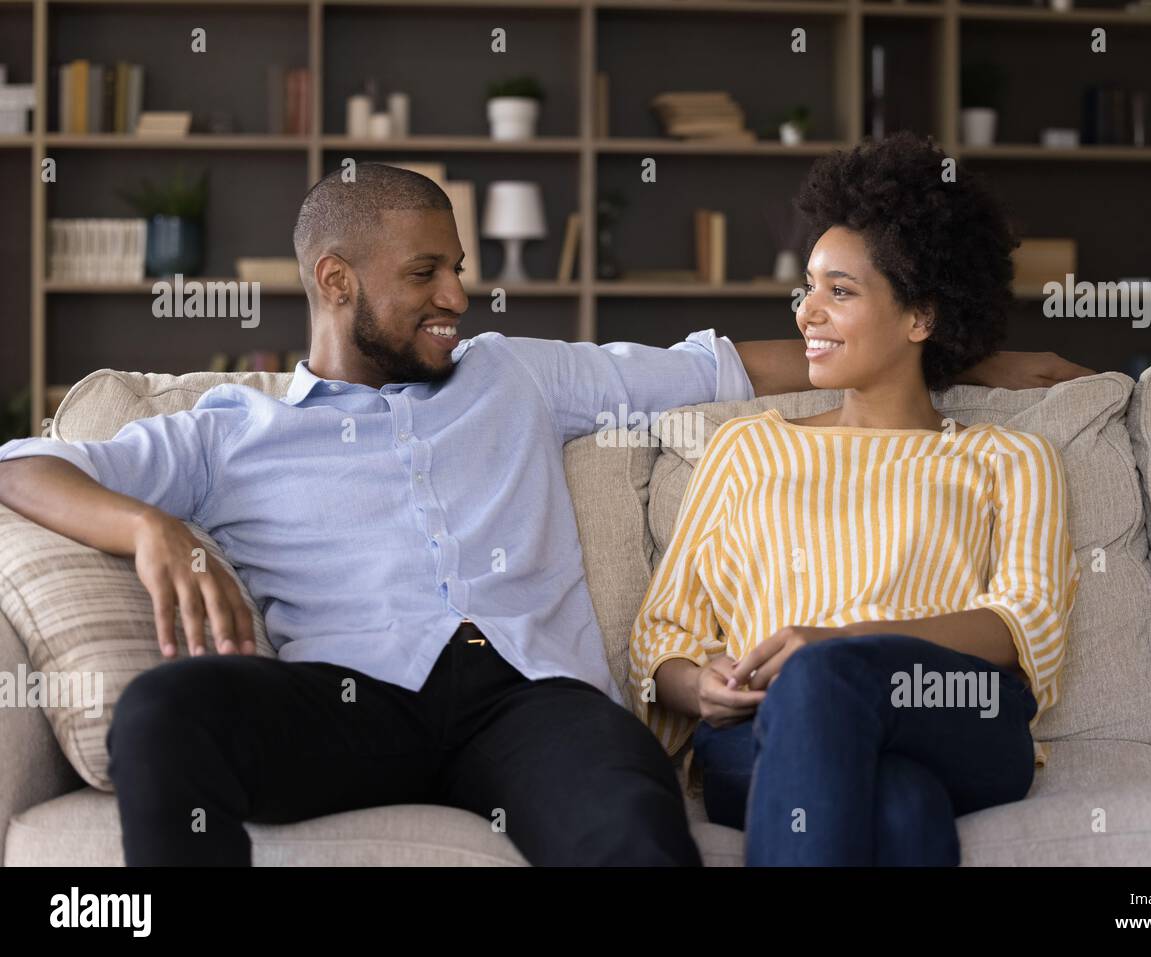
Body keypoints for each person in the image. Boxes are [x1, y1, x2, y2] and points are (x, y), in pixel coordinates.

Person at [0, 161, 1087, 867]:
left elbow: (719, 366)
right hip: (348, 701)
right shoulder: (225, 428)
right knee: (166, 712)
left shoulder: (514, 373)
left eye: (459, 270)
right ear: (336, 281)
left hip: (533, 705)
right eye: (425, 273)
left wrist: (963, 353)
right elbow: (20, 463)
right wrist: (148, 526)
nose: (456, 297)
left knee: (628, 826)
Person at [630, 132, 1082, 866]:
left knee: (825, 678)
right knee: (901, 806)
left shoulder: (1009, 457)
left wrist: (836, 647)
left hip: (950, 708)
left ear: (920, 318)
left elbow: (1023, 622)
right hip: (761, 731)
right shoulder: (748, 448)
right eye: (807, 287)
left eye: (839, 291)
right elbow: (665, 631)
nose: (807, 312)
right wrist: (698, 683)